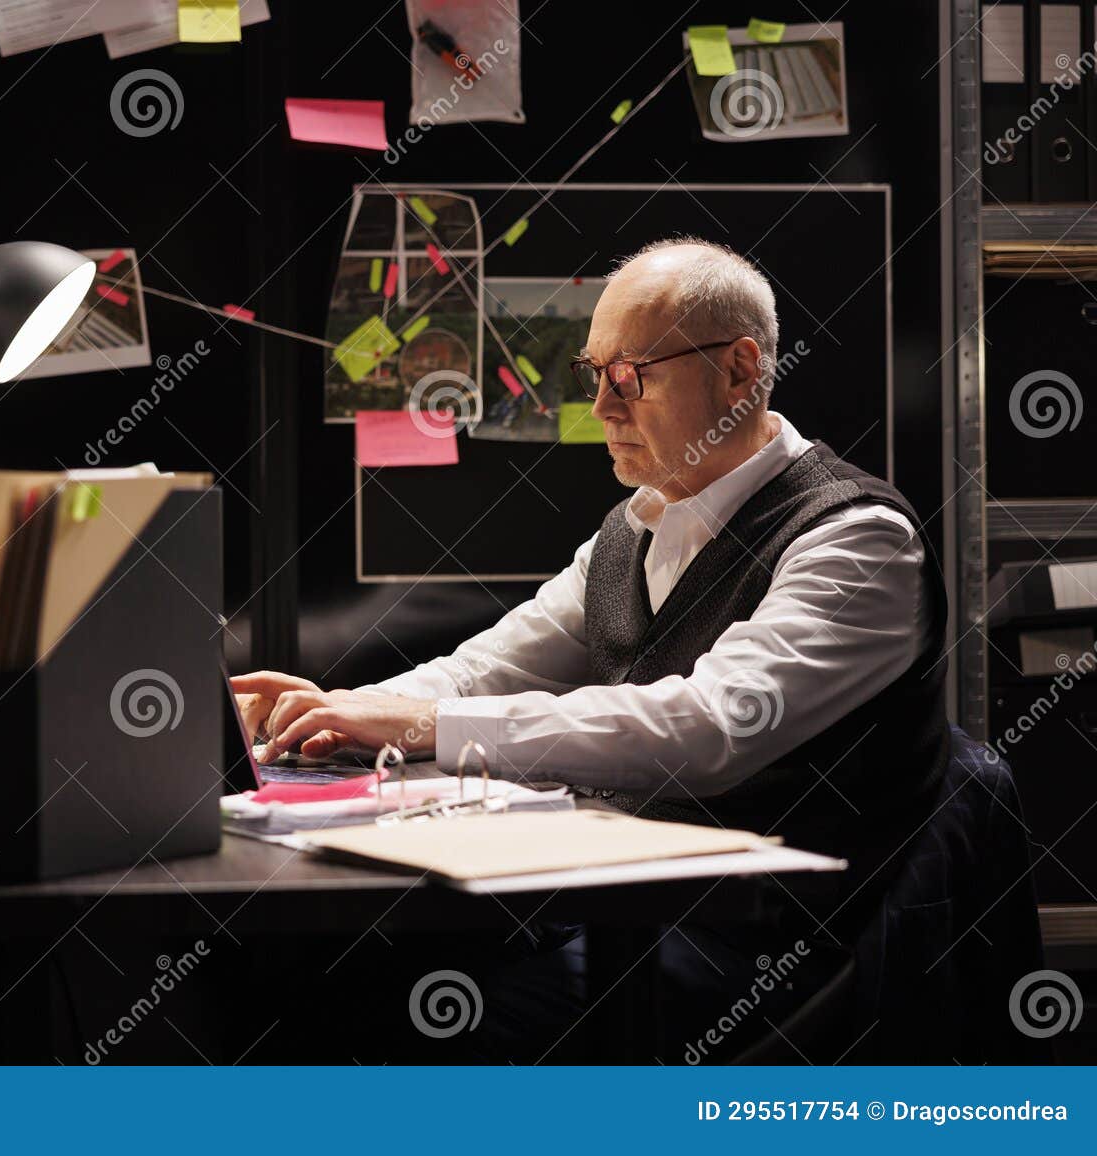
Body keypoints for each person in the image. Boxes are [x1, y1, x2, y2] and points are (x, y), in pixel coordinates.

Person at [233, 239, 951, 1059]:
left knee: (430, 1037)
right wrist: (330, 715)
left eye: (630, 377)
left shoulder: (857, 541)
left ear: (741, 371)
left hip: (754, 943)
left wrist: (424, 722)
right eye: (594, 374)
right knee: (320, 983)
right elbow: (485, 667)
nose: (603, 409)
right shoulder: (634, 528)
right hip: (614, 905)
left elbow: (711, 729)